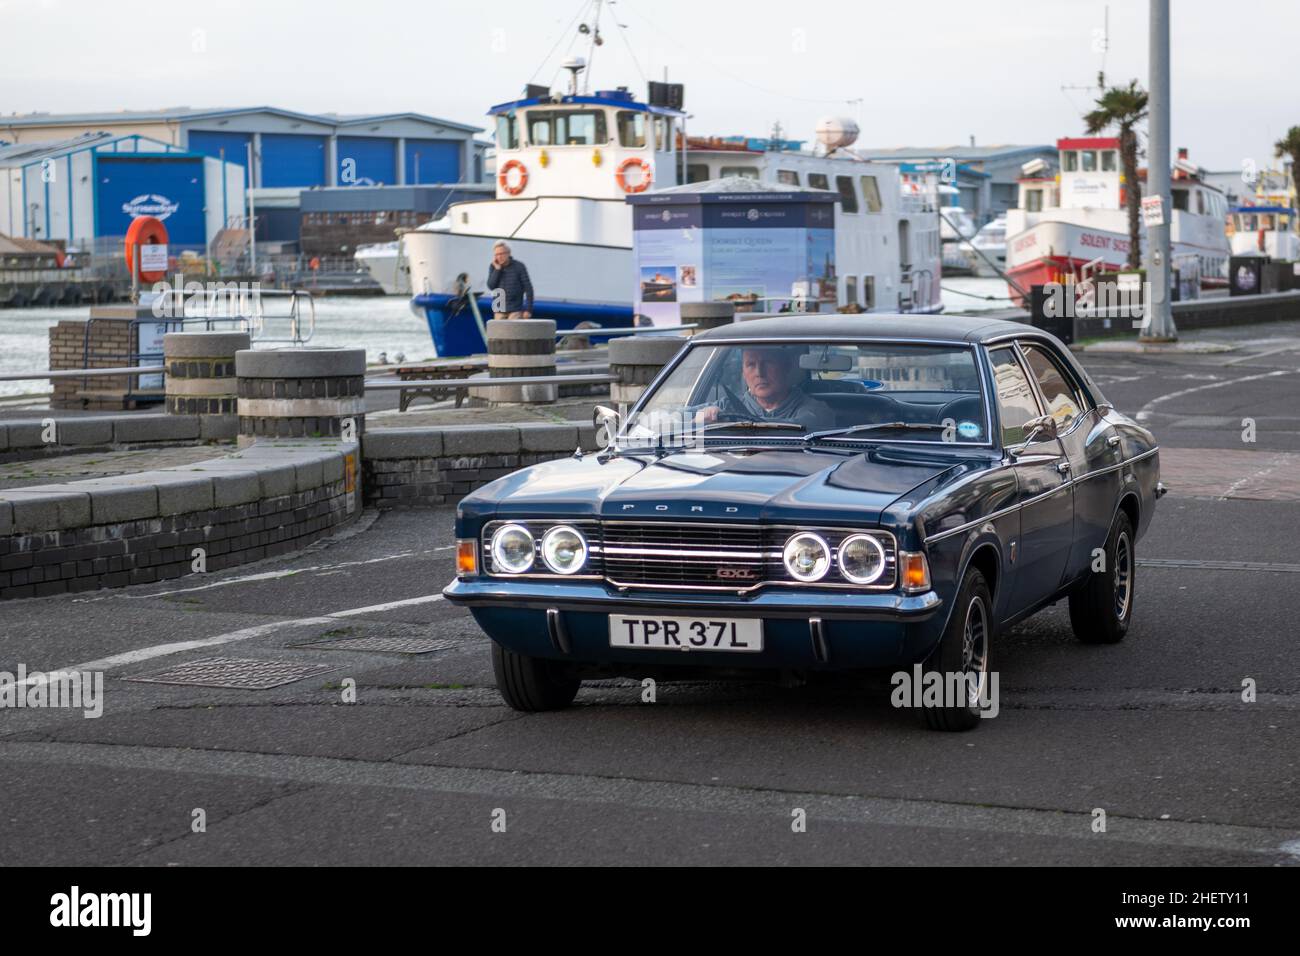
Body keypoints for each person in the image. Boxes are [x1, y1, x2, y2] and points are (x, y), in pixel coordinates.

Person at [695, 347, 836, 432]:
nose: (759, 373)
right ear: (743, 373)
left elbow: (799, 426)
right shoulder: (727, 405)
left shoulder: (816, 410)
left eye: (768, 363)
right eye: (751, 364)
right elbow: (677, 418)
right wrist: (701, 417)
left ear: (785, 368)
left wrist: (728, 422)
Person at [486, 240, 534, 319]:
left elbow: (528, 288)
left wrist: (528, 310)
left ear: (508, 253)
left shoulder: (519, 266)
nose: (499, 257)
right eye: (496, 254)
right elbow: (491, 286)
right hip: (498, 309)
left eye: (501, 254)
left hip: (515, 310)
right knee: (499, 331)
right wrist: (498, 270)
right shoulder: (493, 266)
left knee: (513, 331)